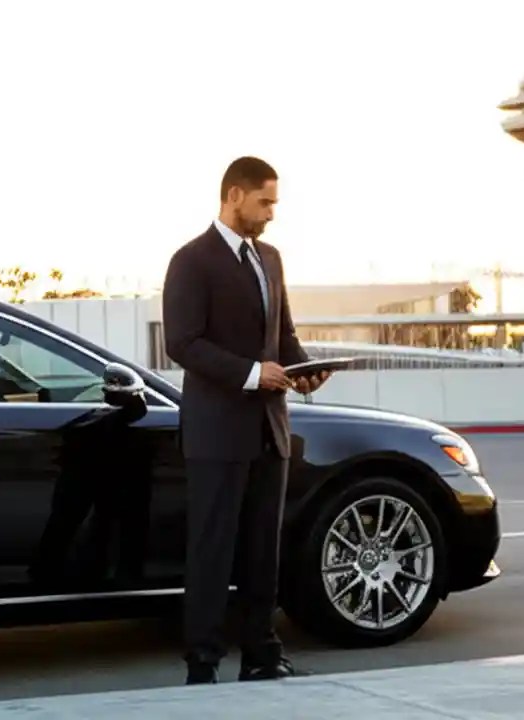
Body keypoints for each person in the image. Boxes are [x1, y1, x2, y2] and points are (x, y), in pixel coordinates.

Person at [161, 156, 330, 684]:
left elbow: (282, 336)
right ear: (234, 195)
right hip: (216, 433)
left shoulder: (271, 259)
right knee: (212, 550)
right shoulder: (191, 261)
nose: (271, 214)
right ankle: (203, 661)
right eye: (265, 202)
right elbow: (182, 343)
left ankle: (262, 654)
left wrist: (304, 369)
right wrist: (255, 374)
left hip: (269, 431)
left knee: (264, 550)